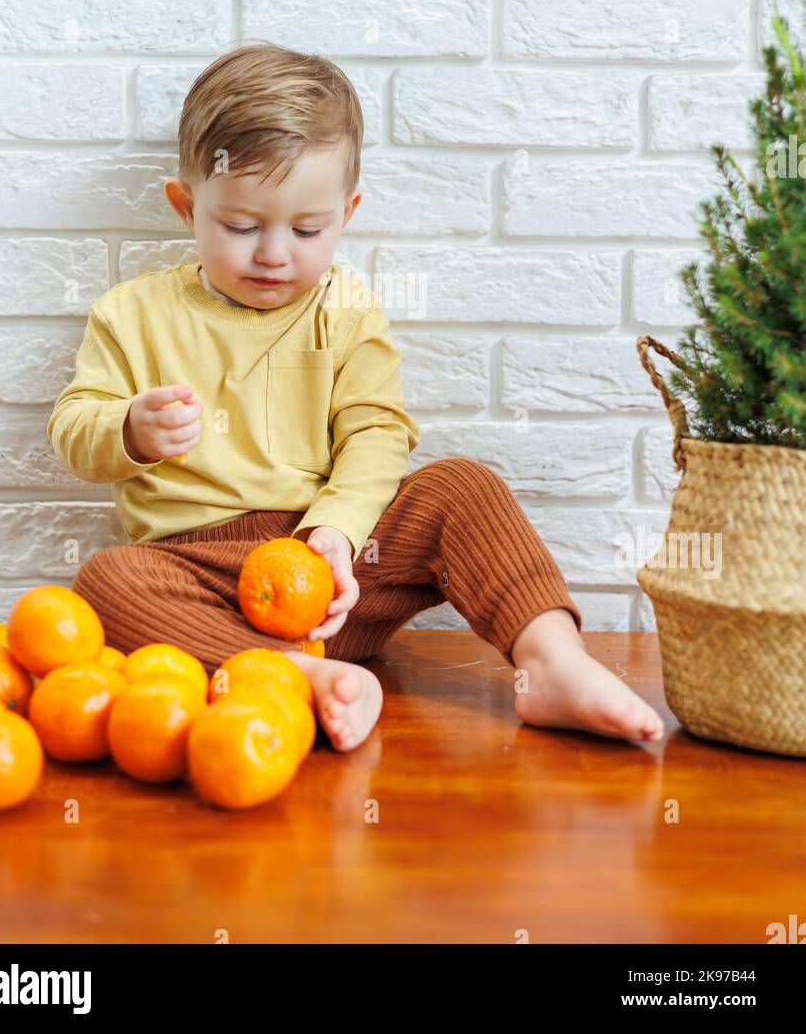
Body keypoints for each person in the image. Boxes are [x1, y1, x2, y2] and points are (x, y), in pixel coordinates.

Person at [47, 41, 665, 753]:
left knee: (461, 487)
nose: (275, 253)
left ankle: (552, 663)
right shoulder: (132, 314)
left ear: (348, 211)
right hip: (201, 578)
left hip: (341, 574)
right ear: (187, 207)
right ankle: (289, 678)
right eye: (241, 226)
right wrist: (126, 428)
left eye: (308, 230)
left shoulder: (344, 308)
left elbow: (377, 431)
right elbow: (73, 427)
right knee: (106, 581)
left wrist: (334, 532)